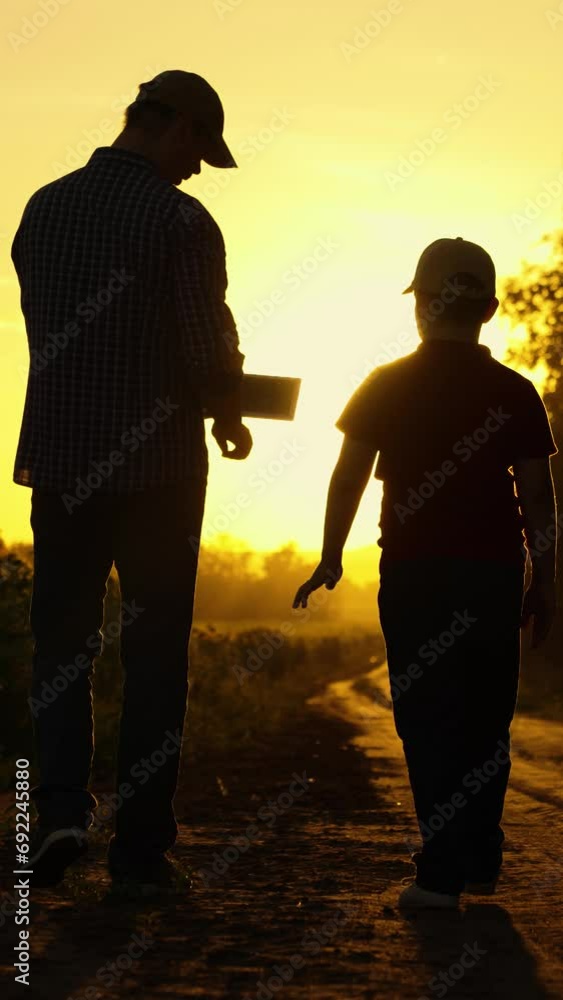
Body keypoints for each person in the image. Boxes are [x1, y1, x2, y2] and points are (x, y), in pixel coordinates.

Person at [12, 70, 253, 890]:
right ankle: (141, 844)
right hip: (158, 469)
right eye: (198, 150)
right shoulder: (180, 221)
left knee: (61, 646)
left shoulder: (41, 208)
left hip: (64, 458)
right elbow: (202, 346)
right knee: (153, 652)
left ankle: (58, 814)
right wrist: (229, 406)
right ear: (176, 127)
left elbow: (46, 328)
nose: (196, 169)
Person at [293, 237, 558, 909]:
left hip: (414, 572)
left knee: (425, 715)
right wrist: (544, 579)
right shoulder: (515, 391)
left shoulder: (385, 383)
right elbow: (537, 496)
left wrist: (330, 555)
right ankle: (479, 858)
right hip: (493, 574)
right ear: (489, 309)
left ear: (419, 307)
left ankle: (440, 869)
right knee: (485, 715)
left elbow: (347, 475)